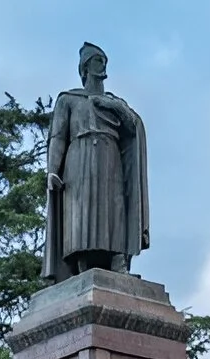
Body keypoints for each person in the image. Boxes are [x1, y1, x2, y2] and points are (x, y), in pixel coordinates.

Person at [42, 42, 149, 283]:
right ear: (85, 67)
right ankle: (82, 263)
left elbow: (134, 128)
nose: (102, 64)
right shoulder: (68, 100)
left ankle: (118, 260)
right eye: (97, 60)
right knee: (80, 210)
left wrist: (115, 107)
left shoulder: (115, 102)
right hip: (77, 158)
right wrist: (52, 170)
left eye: (104, 59)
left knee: (115, 207)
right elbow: (58, 137)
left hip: (110, 157)